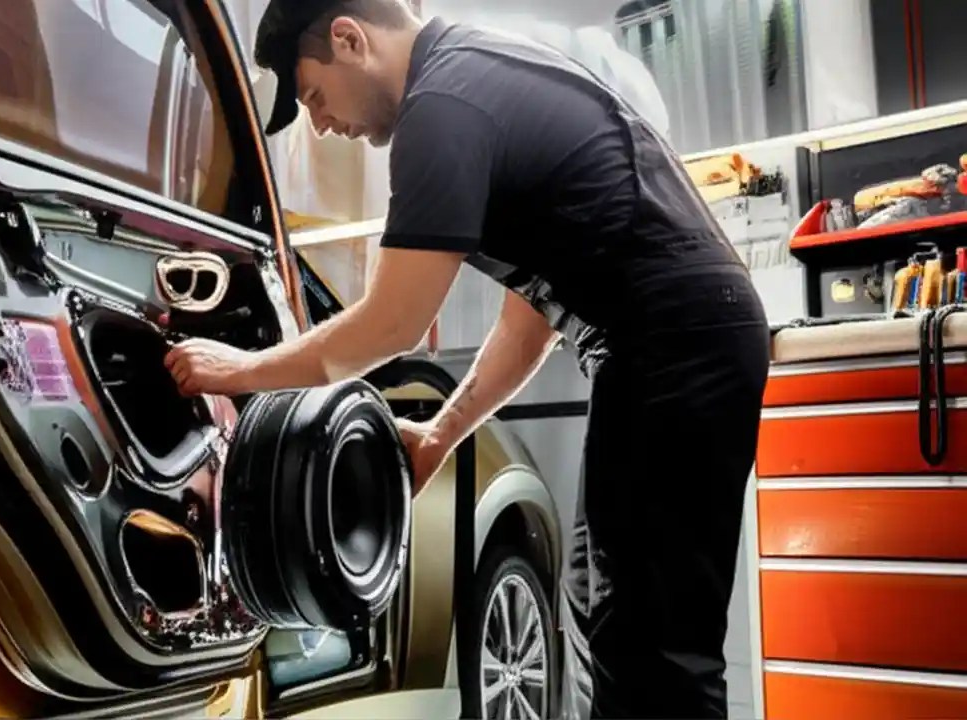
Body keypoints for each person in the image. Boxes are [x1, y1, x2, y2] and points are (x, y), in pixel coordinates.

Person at [164, 1, 771, 718]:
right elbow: (529, 322)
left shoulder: (442, 103)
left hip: (676, 350)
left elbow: (392, 322)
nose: (323, 124)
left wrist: (238, 368)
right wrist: (441, 435)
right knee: (607, 607)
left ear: (349, 39)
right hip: (676, 345)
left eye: (315, 98)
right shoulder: (477, 75)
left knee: (655, 645)